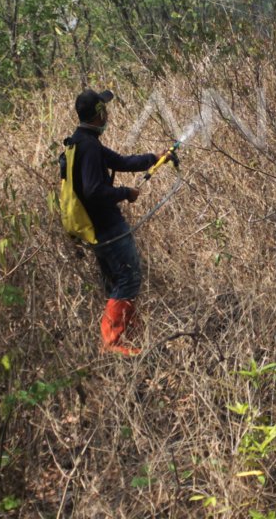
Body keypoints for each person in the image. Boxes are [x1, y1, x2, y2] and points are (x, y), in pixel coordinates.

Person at [64, 89, 173, 355]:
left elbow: (120, 162)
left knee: (116, 282)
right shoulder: (89, 147)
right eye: (105, 109)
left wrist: (155, 158)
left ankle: (128, 337)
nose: (108, 113)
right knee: (129, 278)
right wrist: (125, 193)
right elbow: (93, 191)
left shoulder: (80, 142)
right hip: (107, 227)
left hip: (94, 227)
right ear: (99, 114)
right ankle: (113, 343)